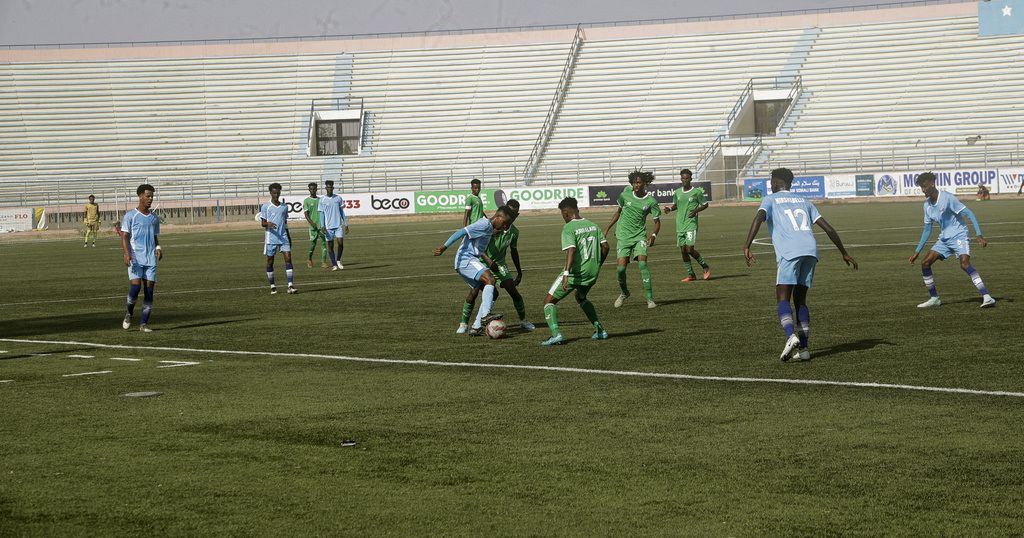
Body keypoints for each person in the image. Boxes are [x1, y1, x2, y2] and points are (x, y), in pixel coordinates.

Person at [742, 167, 858, 361]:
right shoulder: (804, 201)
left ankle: (790, 336)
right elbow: (828, 228)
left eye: (771, 181)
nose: (770, 185)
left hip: (790, 252)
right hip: (810, 252)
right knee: (800, 300)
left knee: (782, 298)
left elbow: (759, 218)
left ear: (776, 183)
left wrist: (747, 245)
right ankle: (804, 349)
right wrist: (844, 253)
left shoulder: (770, 199)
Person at [909, 172, 994, 308]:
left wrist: (979, 235)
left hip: (959, 235)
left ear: (932, 184)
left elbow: (969, 214)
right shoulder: (927, 206)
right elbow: (927, 230)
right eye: (921, 187)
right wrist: (917, 251)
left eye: (924, 186)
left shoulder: (947, 198)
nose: (923, 190)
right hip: (944, 239)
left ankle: (987, 297)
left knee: (964, 264)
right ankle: (934, 299)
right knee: (925, 263)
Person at [434, 206, 516, 336]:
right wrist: (444, 247)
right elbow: (461, 232)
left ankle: (476, 327)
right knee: (490, 279)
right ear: (498, 217)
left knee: (493, 293)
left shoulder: (489, 228)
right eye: (505, 223)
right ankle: (485, 316)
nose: (505, 226)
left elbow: (479, 244)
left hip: (470, 261)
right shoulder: (483, 224)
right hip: (466, 259)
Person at [456, 199, 534, 333]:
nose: (511, 215)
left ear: (517, 215)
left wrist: (519, 272)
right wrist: (488, 261)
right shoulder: (492, 227)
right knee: (474, 292)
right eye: (508, 211)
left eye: (514, 213)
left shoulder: (514, 232)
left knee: (514, 292)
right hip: (482, 263)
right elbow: (479, 247)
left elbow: (514, 251)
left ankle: (523, 321)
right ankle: (464, 324)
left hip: (500, 266)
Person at [541, 197, 610, 346]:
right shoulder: (593, 225)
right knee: (580, 297)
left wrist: (566, 273)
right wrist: (598, 264)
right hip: (592, 272)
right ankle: (600, 330)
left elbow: (571, 250)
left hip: (575, 273)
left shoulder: (569, 228)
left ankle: (556, 335)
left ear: (566, 213)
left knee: (548, 301)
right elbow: (606, 247)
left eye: (562, 214)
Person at [604, 170, 661, 308]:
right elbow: (618, 212)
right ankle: (624, 293)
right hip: (623, 236)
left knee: (642, 265)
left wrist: (653, 235)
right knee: (620, 270)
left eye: (639, 182)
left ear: (644, 183)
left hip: (639, 236)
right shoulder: (625, 195)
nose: (636, 185)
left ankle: (650, 299)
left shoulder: (651, 201)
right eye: (634, 182)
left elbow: (657, 222)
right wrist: (607, 229)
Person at [120, 184, 162, 333]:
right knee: (136, 287)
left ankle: (143, 324)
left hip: (150, 259)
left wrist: (158, 247)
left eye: (152, 196)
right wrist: (127, 254)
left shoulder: (154, 218)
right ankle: (129, 313)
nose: (150, 199)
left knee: (149, 291)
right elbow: (124, 236)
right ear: (140, 196)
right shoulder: (130, 216)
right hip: (135, 258)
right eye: (147, 196)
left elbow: (154, 236)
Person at [662, 169, 710, 281]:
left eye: (687, 178)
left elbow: (705, 204)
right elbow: (676, 205)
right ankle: (691, 274)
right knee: (683, 250)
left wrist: (695, 211)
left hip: (691, 224)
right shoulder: (677, 192)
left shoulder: (696, 192)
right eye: (683, 178)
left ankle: (705, 267)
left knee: (689, 249)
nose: (685, 180)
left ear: (691, 179)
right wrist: (670, 209)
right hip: (680, 225)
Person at [260, 183, 297, 295]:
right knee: (270, 261)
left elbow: (285, 223)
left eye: (278, 193)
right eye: (274, 193)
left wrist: (289, 236)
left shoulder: (284, 207)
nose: (276, 195)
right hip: (271, 238)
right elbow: (262, 223)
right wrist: (268, 224)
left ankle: (290, 285)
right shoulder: (266, 206)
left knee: (288, 259)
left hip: (283, 237)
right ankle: (272, 286)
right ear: (271, 193)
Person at [318, 180, 348, 271]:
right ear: (326, 188)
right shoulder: (322, 200)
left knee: (340, 243)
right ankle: (334, 264)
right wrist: (322, 226)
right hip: (328, 227)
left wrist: (346, 223)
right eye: (328, 187)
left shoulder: (338, 198)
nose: (329, 189)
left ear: (333, 188)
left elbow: (342, 212)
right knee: (330, 246)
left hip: (338, 225)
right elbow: (321, 214)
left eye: (331, 187)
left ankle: (338, 260)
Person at [303, 182, 329, 268]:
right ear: (309, 190)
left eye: (314, 189)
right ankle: (309, 259)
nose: (313, 190)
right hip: (313, 226)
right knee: (313, 245)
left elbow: (324, 212)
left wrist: (324, 223)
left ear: (316, 189)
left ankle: (324, 262)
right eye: (311, 189)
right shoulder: (306, 201)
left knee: (323, 244)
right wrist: (312, 223)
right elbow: (306, 214)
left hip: (321, 226)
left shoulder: (320, 200)